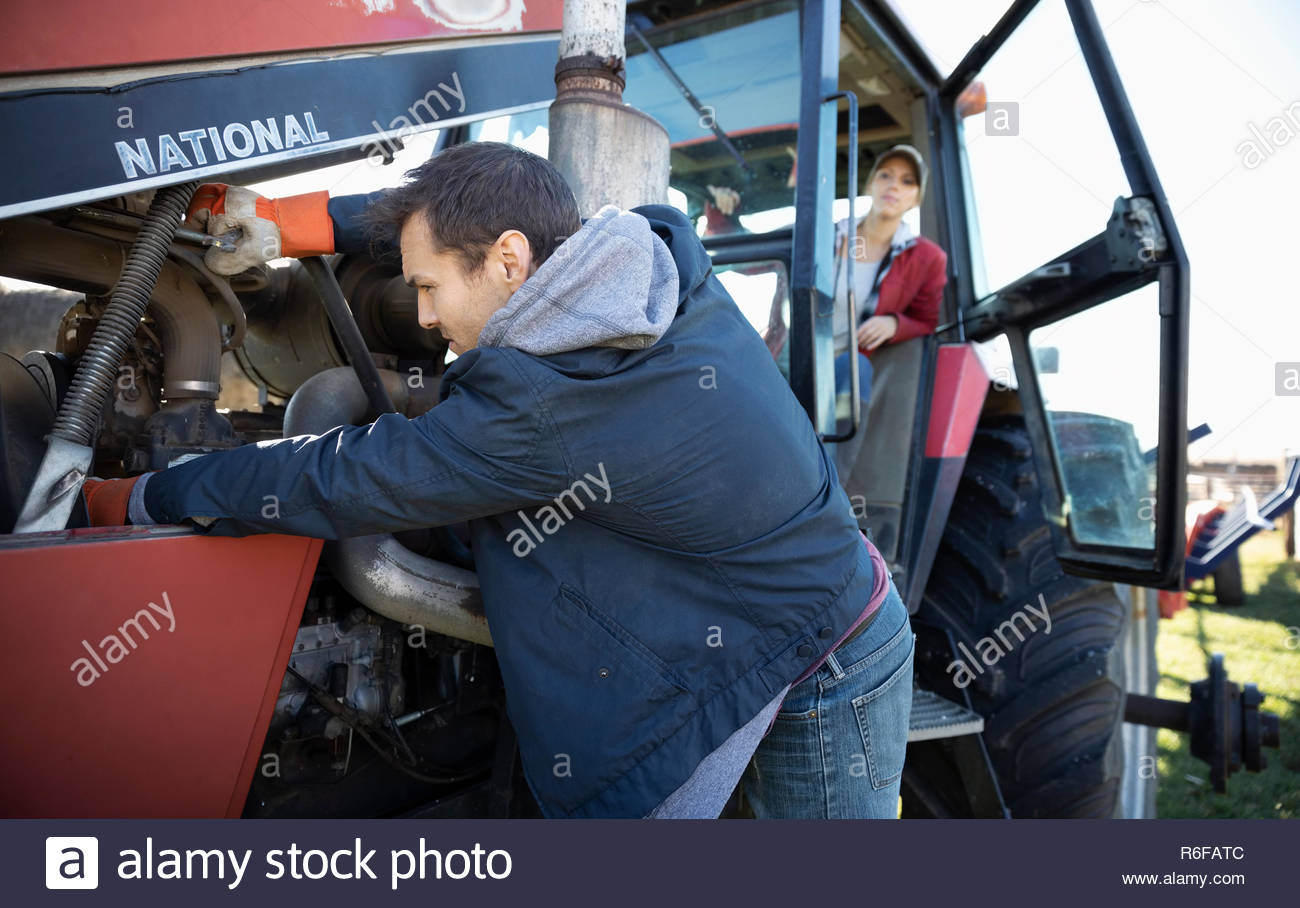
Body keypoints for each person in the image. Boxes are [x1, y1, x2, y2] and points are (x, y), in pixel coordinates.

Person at [80, 141, 913, 819]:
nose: (429, 319)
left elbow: (341, 477)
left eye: (430, 289)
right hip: (789, 605)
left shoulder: (544, 403)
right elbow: (481, 206)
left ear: (510, 261)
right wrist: (302, 222)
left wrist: (153, 494)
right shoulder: (644, 266)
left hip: (825, 661)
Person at [832, 144, 948, 420]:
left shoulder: (927, 258)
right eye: (886, 175)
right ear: (871, 183)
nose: (894, 185)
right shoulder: (825, 234)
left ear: (916, 198)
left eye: (907, 181)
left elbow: (926, 321)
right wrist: (721, 216)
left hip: (848, 375)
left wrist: (894, 324)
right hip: (794, 359)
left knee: (854, 368)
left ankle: (835, 462)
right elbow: (757, 257)